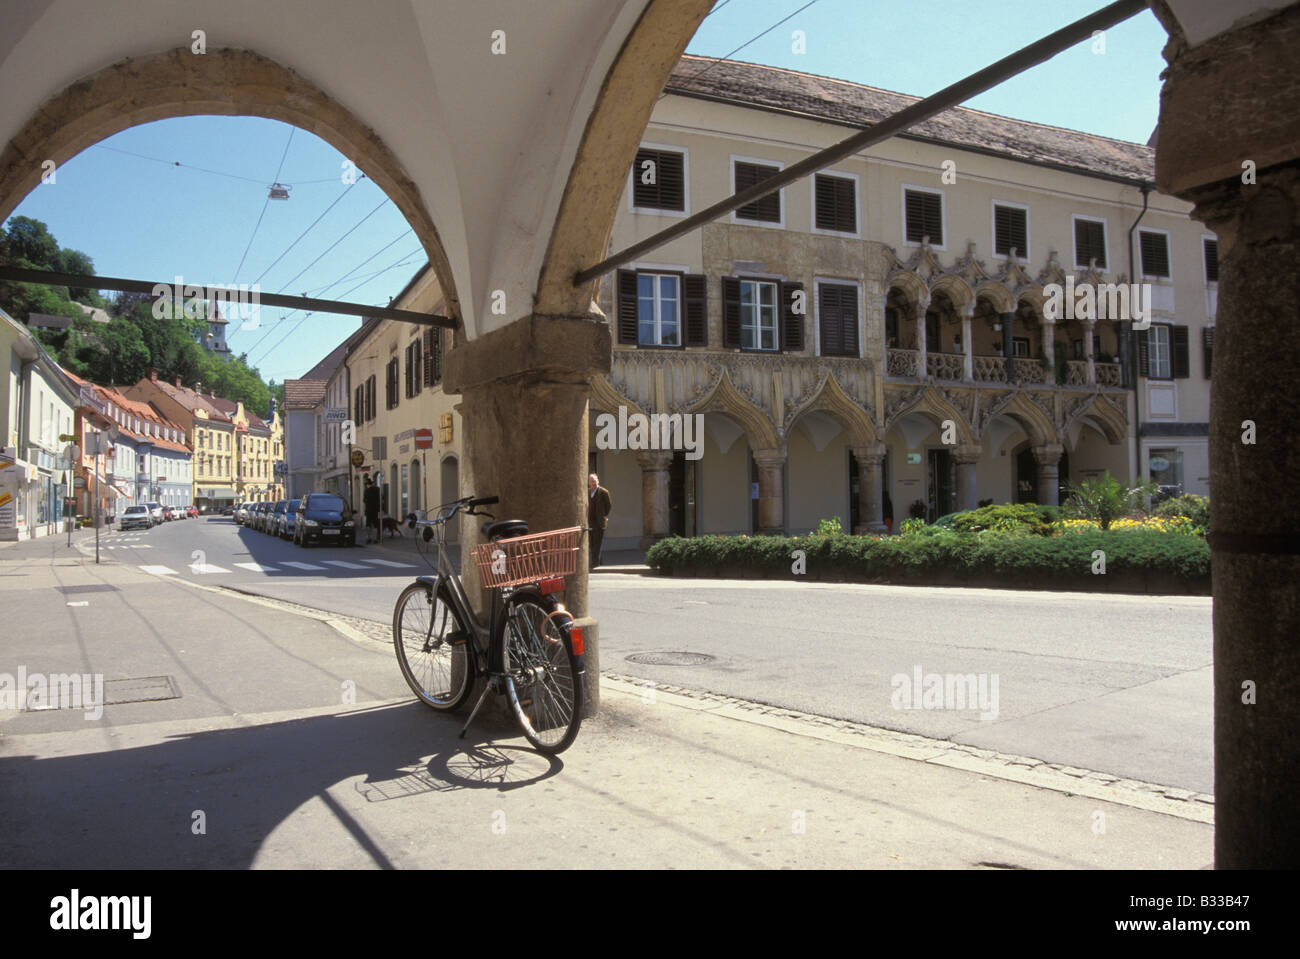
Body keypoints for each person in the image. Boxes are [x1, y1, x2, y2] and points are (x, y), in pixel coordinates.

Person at [587, 473, 611, 569]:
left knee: (597, 542)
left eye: (594, 481)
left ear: (598, 481)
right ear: (589, 483)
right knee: (592, 542)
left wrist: (603, 515)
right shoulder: (588, 492)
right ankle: (598, 560)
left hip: (599, 521)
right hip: (590, 521)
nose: (593, 483)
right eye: (591, 481)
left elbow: (608, 506)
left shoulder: (603, 492)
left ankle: (595, 563)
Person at [363, 475, 381, 545]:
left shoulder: (366, 491)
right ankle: (376, 538)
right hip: (375, 510)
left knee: (368, 525)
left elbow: (364, 500)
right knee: (375, 524)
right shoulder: (377, 489)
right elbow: (380, 498)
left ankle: (368, 538)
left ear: (367, 485)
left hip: (369, 510)